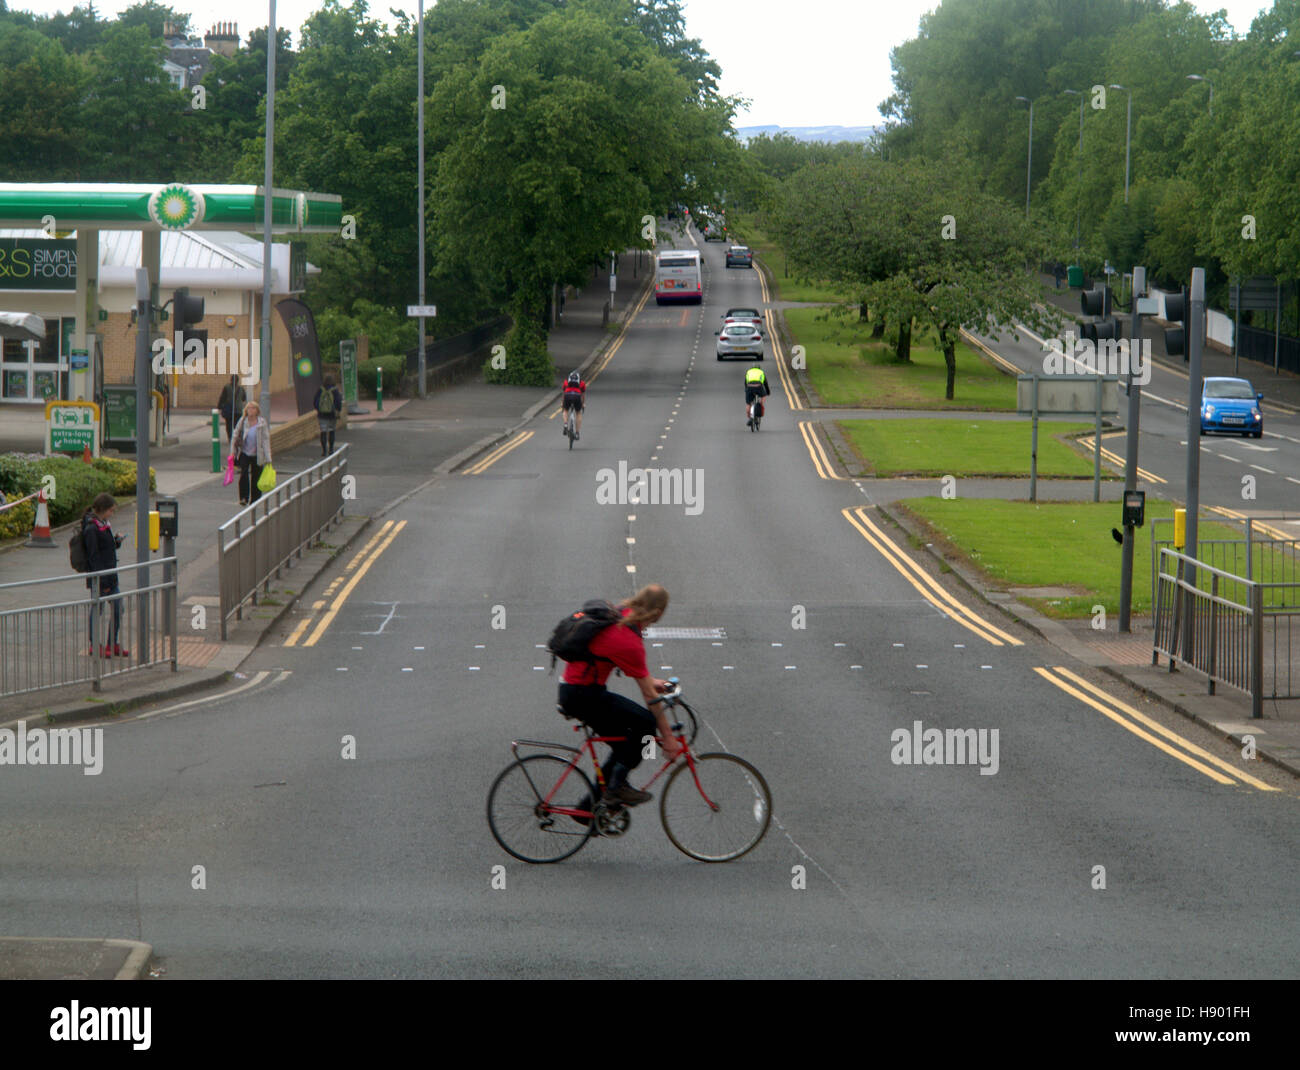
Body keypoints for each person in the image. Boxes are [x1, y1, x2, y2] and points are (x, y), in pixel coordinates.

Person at [557, 584, 681, 819]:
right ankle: (615, 789)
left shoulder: (620, 612)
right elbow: (649, 697)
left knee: (626, 747)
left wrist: (651, 681)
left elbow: (630, 669)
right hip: (583, 695)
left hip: (577, 689)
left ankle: (588, 809)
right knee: (645, 723)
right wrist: (669, 738)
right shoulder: (628, 638)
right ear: (656, 614)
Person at [82, 493, 127, 658]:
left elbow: (106, 548)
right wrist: (103, 580)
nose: (112, 514)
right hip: (100, 578)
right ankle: (94, 644)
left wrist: (117, 542)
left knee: (118, 608)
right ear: (103, 509)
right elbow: (94, 556)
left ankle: (111, 643)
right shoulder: (91, 528)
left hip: (110, 575)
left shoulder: (103, 525)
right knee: (97, 609)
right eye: (111, 511)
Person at [229, 400, 272, 506]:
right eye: (248, 408)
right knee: (243, 474)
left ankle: (255, 499)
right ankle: (244, 497)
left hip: (258, 454)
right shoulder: (243, 421)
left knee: (256, 476)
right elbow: (235, 435)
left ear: (257, 410)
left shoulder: (261, 423)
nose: (250, 410)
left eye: (253, 408)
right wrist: (232, 452)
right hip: (244, 452)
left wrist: (268, 457)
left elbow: (266, 440)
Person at [312, 375, 344, 457]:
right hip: (332, 415)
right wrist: (338, 411)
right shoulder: (335, 390)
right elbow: (338, 402)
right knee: (331, 430)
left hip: (322, 415)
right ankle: (331, 450)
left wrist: (319, 409)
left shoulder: (320, 389)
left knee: (323, 431)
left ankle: (324, 451)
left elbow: (315, 401)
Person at [217, 376, 246, 444]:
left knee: (229, 425)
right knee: (237, 425)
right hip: (238, 410)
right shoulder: (241, 388)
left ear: (231, 380)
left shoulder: (227, 387)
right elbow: (244, 398)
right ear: (238, 381)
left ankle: (230, 438)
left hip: (229, 410)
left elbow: (222, 397)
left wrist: (219, 407)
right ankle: (237, 438)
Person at [562, 370, 586, 439]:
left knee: (566, 410)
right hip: (577, 396)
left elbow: (564, 393)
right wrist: (583, 404)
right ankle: (577, 433)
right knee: (578, 413)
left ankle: (566, 424)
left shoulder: (566, 382)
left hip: (567, 395)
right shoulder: (582, 383)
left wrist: (562, 403)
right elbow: (583, 395)